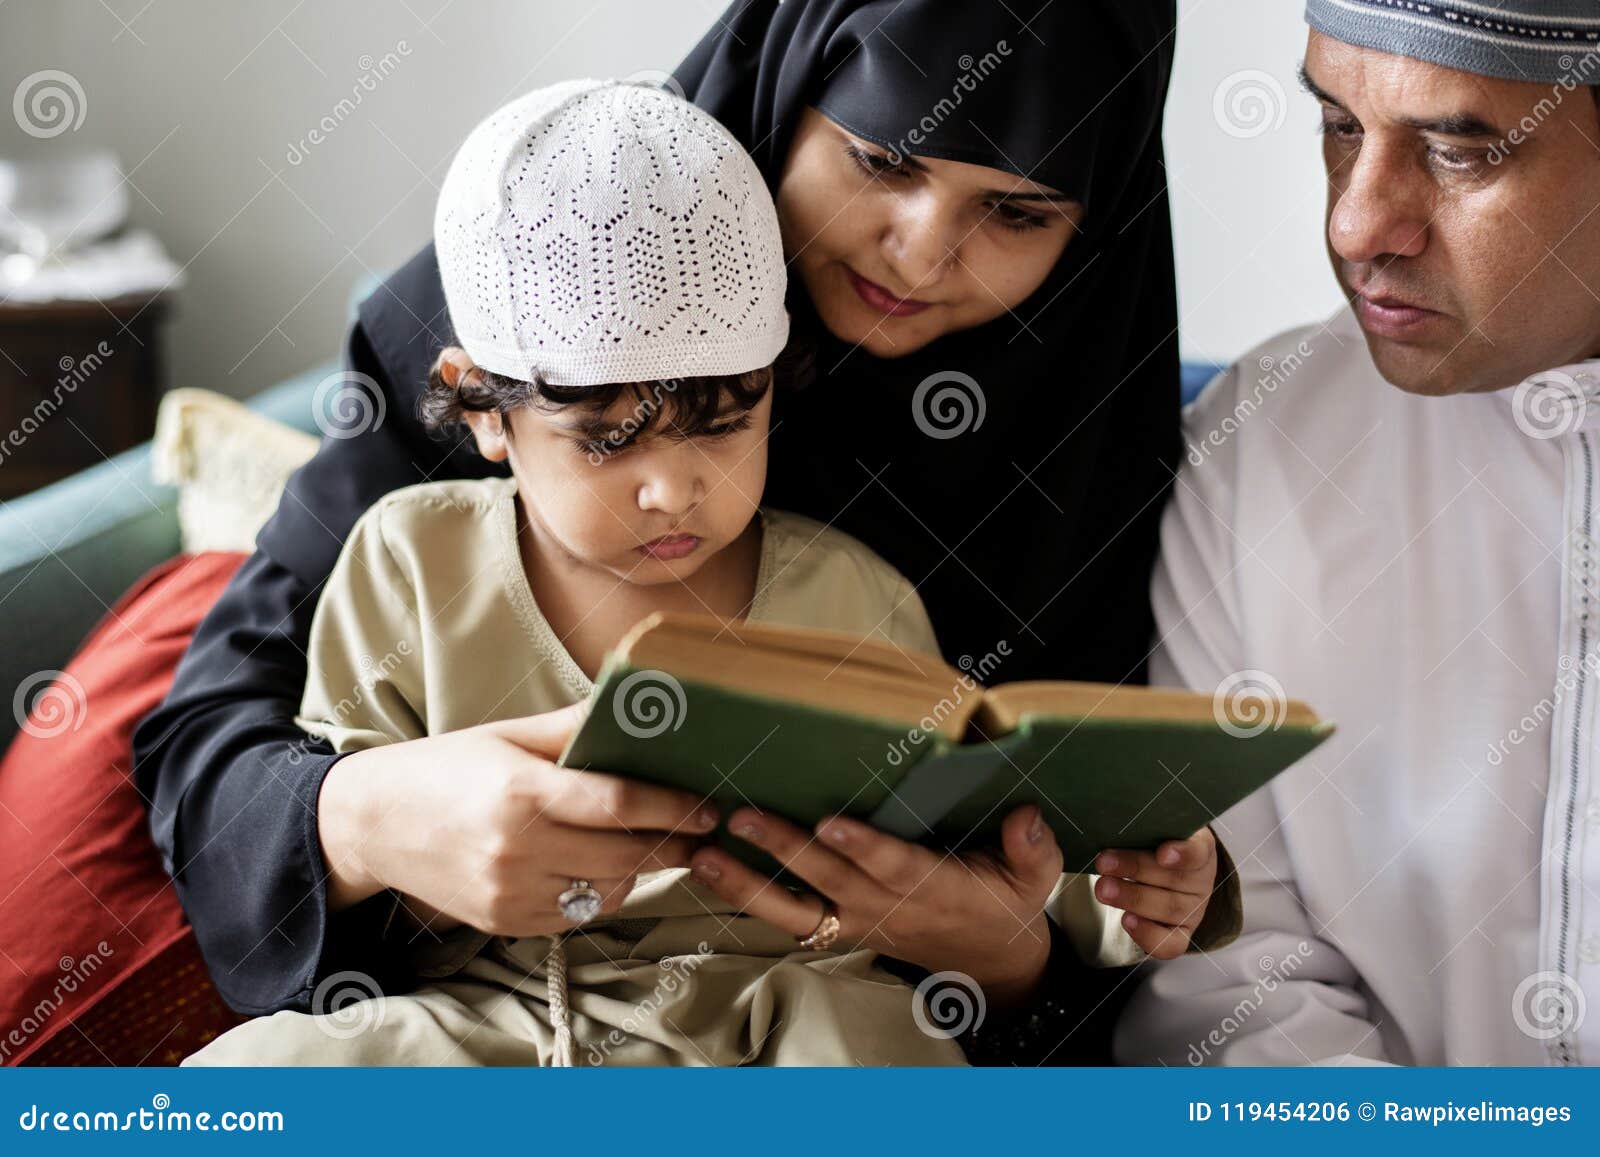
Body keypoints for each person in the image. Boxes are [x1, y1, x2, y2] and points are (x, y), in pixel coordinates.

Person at [135, 1, 1209, 1063]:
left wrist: (1002, 955)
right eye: (882, 162)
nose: (924, 256)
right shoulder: (551, 254)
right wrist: (366, 818)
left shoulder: (1085, 445)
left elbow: (1087, 908)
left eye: (1018, 213)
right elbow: (214, 746)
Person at [1116, 0, 1600, 1066]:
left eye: (1458, 152)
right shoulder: (1267, 438)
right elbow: (1228, 974)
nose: (1355, 223)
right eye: (1337, 126)